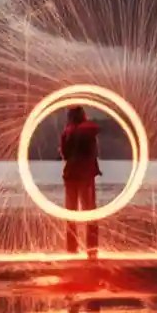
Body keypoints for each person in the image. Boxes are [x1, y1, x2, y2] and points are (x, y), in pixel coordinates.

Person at [59, 105, 101, 257]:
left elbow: (64, 154)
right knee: (90, 212)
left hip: (70, 175)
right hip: (86, 176)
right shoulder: (88, 130)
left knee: (71, 213)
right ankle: (92, 249)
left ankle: (71, 248)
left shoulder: (67, 132)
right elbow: (96, 129)